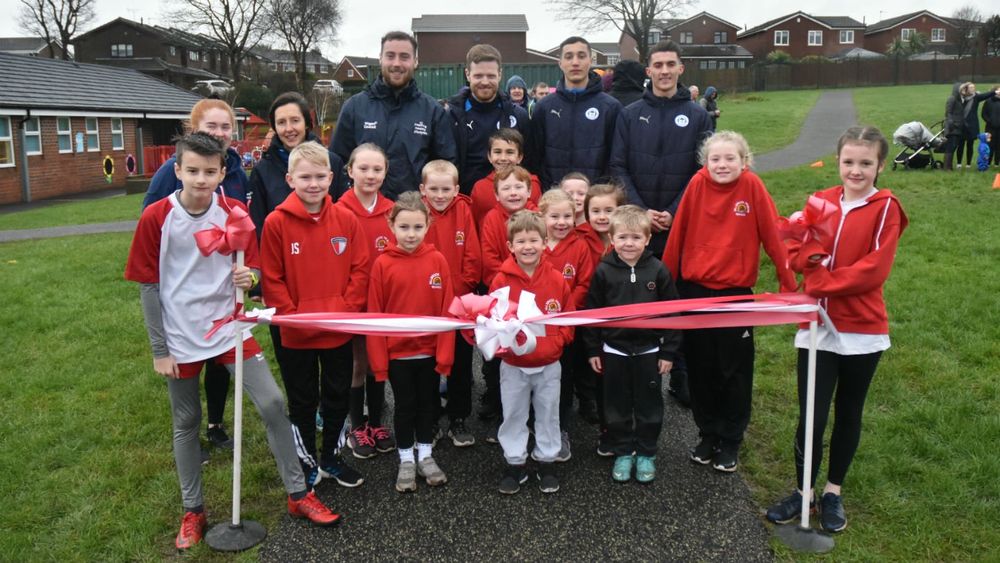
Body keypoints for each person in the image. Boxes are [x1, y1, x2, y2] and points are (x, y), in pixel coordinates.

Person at [125, 133, 340, 550]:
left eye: (210, 171)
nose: (201, 179)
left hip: (229, 328)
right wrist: (159, 350)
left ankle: (298, 494)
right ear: (177, 170)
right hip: (180, 336)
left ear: (224, 172)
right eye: (192, 171)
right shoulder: (156, 217)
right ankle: (194, 510)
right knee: (186, 421)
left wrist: (252, 277)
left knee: (274, 404)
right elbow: (149, 287)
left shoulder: (235, 211)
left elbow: (255, 266)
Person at [766, 126, 908, 533]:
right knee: (811, 416)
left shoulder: (886, 207)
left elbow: (875, 269)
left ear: (880, 165)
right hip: (816, 328)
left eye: (866, 163)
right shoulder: (821, 201)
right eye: (849, 161)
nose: (856, 170)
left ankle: (832, 492)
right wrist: (806, 255)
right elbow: (795, 245)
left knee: (848, 412)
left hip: (862, 328)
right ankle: (803, 491)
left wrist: (822, 282)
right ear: (838, 160)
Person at [662, 130, 797, 473]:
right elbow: (678, 233)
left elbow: (771, 233)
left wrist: (788, 282)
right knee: (701, 368)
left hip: (734, 294)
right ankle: (707, 433)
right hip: (694, 291)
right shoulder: (696, 185)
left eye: (730, 158)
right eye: (715, 159)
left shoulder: (751, 187)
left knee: (733, 371)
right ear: (705, 163)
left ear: (744, 161)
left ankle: (731, 438)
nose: (722, 165)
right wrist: (665, 282)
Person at [141, 98, 249, 453]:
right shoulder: (169, 174)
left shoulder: (235, 169)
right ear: (193, 130)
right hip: (184, 293)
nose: (219, 134)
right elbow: (157, 227)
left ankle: (216, 423)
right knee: (191, 366)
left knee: (221, 363)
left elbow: (242, 224)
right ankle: (191, 429)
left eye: (225, 127)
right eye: (211, 127)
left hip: (222, 289)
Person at [260, 141, 369, 490]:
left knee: (336, 394)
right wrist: (293, 318)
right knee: (302, 399)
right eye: (305, 177)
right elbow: (272, 277)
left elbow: (360, 269)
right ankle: (306, 461)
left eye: (320, 176)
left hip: (337, 328)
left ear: (332, 178)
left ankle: (331, 458)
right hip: (296, 333)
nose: (313, 184)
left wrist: (346, 311)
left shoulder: (347, 220)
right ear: (290, 179)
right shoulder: (276, 223)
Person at [584, 205, 681, 482]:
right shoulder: (603, 271)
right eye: (623, 237)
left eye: (636, 237)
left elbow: (673, 311)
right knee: (617, 404)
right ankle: (623, 451)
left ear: (648, 239)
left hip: (649, 351)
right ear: (612, 239)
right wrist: (593, 348)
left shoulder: (658, 269)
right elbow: (593, 312)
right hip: (614, 351)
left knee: (649, 404)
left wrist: (668, 351)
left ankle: (647, 452)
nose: (629, 244)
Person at [367, 192, 455, 492]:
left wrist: (445, 356)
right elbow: (375, 317)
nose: (411, 234)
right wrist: (379, 364)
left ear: (428, 225)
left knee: (427, 406)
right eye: (404, 227)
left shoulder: (438, 260)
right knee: (404, 406)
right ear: (391, 225)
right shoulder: (382, 264)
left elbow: (447, 312)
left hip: (429, 352)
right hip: (397, 356)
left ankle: (426, 455)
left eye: (417, 227)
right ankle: (406, 459)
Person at [491, 211, 575, 494]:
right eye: (521, 241)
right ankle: (515, 461)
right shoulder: (501, 281)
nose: (528, 246)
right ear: (510, 246)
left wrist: (559, 342)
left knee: (548, 412)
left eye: (534, 240)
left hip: (549, 363)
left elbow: (567, 316)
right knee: (513, 413)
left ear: (545, 242)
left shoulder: (556, 279)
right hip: (514, 364)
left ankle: (546, 459)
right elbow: (492, 321)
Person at [609, 39, 712, 257]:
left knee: (679, 287)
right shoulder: (629, 114)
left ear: (680, 68)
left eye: (670, 64)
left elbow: (702, 170)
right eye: (658, 66)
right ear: (648, 71)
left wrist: (675, 211)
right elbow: (618, 165)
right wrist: (641, 210)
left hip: (682, 220)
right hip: (637, 224)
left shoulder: (698, 116)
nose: (664, 71)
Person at [331, 31, 457, 200]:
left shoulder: (432, 111)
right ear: (380, 59)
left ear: (415, 61)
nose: (396, 63)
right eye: (390, 56)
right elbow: (337, 162)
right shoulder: (354, 107)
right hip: (363, 217)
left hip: (414, 218)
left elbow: (446, 167)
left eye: (404, 57)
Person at [336, 143, 397, 459]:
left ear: (386, 172)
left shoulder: (392, 211)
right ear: (349, 171)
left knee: (377, 364)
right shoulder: (338, 211)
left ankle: (377, 423)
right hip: (353, 303)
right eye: (364, 168)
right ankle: (355, 427)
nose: (371, 175)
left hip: (383, 304)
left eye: (377, 169)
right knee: (358, 364)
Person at [419, 160, 481, 446]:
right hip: (427, 304)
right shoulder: (417, 214)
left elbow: (472, 255)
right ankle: (430, 418)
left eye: (446, 189)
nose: (440, 195)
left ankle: (458, 418)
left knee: (460, 362)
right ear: (423, 190)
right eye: (434, 189)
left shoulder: (464, 211)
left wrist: (463, 290)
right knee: (429, 362)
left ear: (456, 189)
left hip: (458, 305)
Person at [478, 165, 536, 431]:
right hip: (502, 296)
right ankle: (495, 399)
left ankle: (531, 406)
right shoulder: (491, 218)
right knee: (498, 352)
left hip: (533, 297)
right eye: (506, 188)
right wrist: (507, 294)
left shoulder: (539, 216)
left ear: (529, 190)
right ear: (497, 195)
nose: (513, 193)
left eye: (518, 187)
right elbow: (489, 259)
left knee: (530, 350)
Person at [540, 189, 597, 458]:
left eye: (567, 216)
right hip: (536, 328)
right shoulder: (535, 245)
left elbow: (585, 283)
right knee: (535, 380)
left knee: (562, 380)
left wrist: (565, 309)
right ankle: (533, 427)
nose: (561, 222)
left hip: (565, 325)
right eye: (554, 216)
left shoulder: (580, 246)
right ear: (542, 217)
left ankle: (560, 428)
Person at [532, 36, 623, 188]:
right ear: (560, 63)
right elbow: (534, 157)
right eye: (569, 57)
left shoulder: (611, 107)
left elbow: (616, 160)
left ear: (591, 60)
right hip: (555, 200)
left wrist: (602, 193)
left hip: (594, 202)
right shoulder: (544, 107)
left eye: (581, 56)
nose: (575, 62)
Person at [249, 93, 347, 232]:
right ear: (274, 127)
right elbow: (259, 226)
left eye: (295, 120)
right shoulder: (262, 171)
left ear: (306, 123)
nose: (289, 128)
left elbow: (343, 214)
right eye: (281, 122)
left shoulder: (332, 162)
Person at [446, 45, 532, 196]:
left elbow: (530, 162)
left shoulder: (519, 116)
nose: (485, 82)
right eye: (478, 76)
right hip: (465, 201)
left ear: (500, 75)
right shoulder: (451, 116)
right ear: (468, 74)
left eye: (491, 76)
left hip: (509, 202)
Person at [469, 129, 542, 225]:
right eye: (497, 152)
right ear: (489, 157)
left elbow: (539, 220)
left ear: (519, 157)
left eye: (510, 152)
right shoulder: (479, 188)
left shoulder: (532, 184)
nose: (503, 158)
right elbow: (474, 223)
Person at [944, 82, 998, 170]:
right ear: (966, 89)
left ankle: (968, 164)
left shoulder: (976, 97)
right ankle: (959, 163)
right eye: (971, 88)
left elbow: (985, 95)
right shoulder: (960, 98)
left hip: (972, 125)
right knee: (960, 145)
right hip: (961, 125)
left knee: (970, 145)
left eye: (974, 87)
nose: (973, 89)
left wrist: (994, 92)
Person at [981, 88, 1000, 167]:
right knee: (989, 145)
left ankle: (997, 163)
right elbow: (983, 113)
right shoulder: (988, 101)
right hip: (990, 127)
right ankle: (988, 162)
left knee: (999, 145)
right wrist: (989, 121)